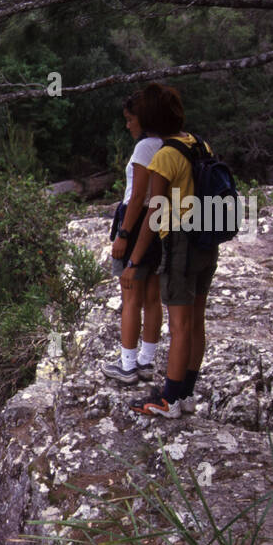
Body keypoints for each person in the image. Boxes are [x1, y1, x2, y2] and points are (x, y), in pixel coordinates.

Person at [125, 82, 214, 418]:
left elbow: (154, 212)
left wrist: (134, 259)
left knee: (178, 326)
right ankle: (186, 393)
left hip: (179, 245)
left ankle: (170, 399)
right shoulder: (199, 144)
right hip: (206, 241)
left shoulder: (164, 156)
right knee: (196, 322)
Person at [102, 90, 163, 384]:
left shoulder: (144, 148)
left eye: (130, 120)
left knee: (130, 297)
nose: (128, 126)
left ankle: (127, 365)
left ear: (145, 118)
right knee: (153, 298)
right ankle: (146, 361)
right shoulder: (168, 143)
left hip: (137, 222)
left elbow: (138, 195)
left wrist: (123, 234)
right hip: (159, 222)